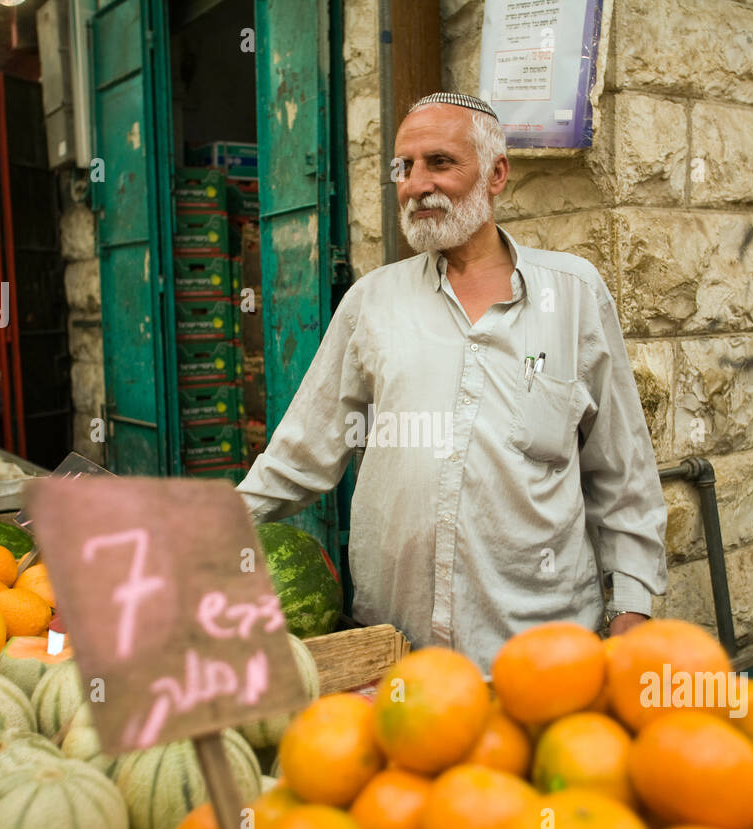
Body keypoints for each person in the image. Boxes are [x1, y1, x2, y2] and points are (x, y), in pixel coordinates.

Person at [238, 92, 667, 671]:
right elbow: (302, 453)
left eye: (439, 162)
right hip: (395, 645)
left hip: (543, 651)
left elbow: (624, 473)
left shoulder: (574, 294)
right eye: (405, 167)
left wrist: (632, 616)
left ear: (496, 174)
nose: (416, 184)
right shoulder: (373, 301)